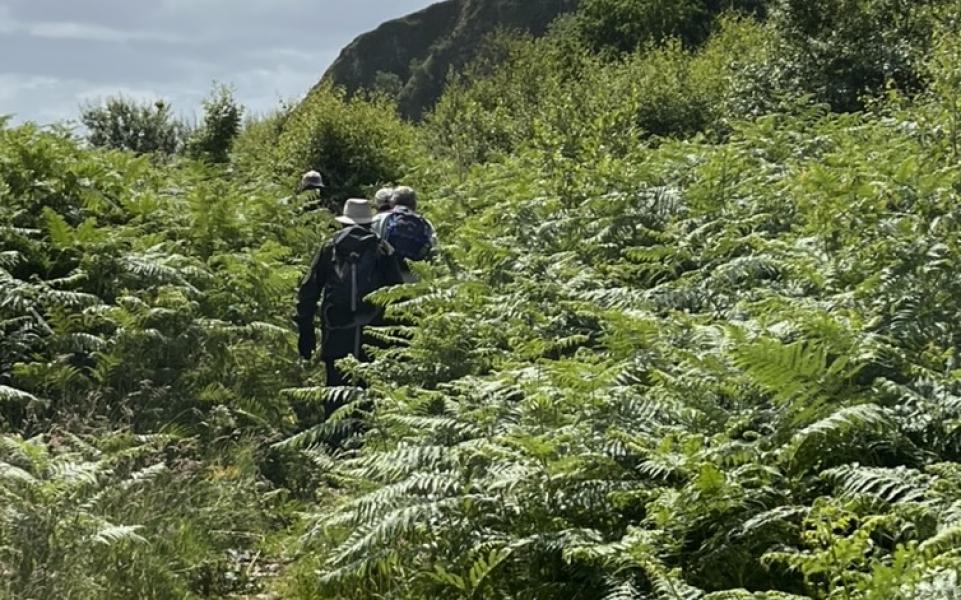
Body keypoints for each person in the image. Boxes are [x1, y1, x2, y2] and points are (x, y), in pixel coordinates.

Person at [294, 197, 404, 389]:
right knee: (368, 395)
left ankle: (334, 417)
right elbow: (397, 295)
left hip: (336, 331)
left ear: (343, 222)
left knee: (336, 393)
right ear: (370, 223)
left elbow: (309, 290)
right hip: (372, 336)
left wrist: (306, 330)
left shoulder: (330, 248)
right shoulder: (383, 249)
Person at [372, 186, 438, 283]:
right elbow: (435, 254)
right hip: (416, 281)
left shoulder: (380, 219)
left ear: (392, 203)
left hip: (386, 282)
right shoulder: (426, 224)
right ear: (414, 204)